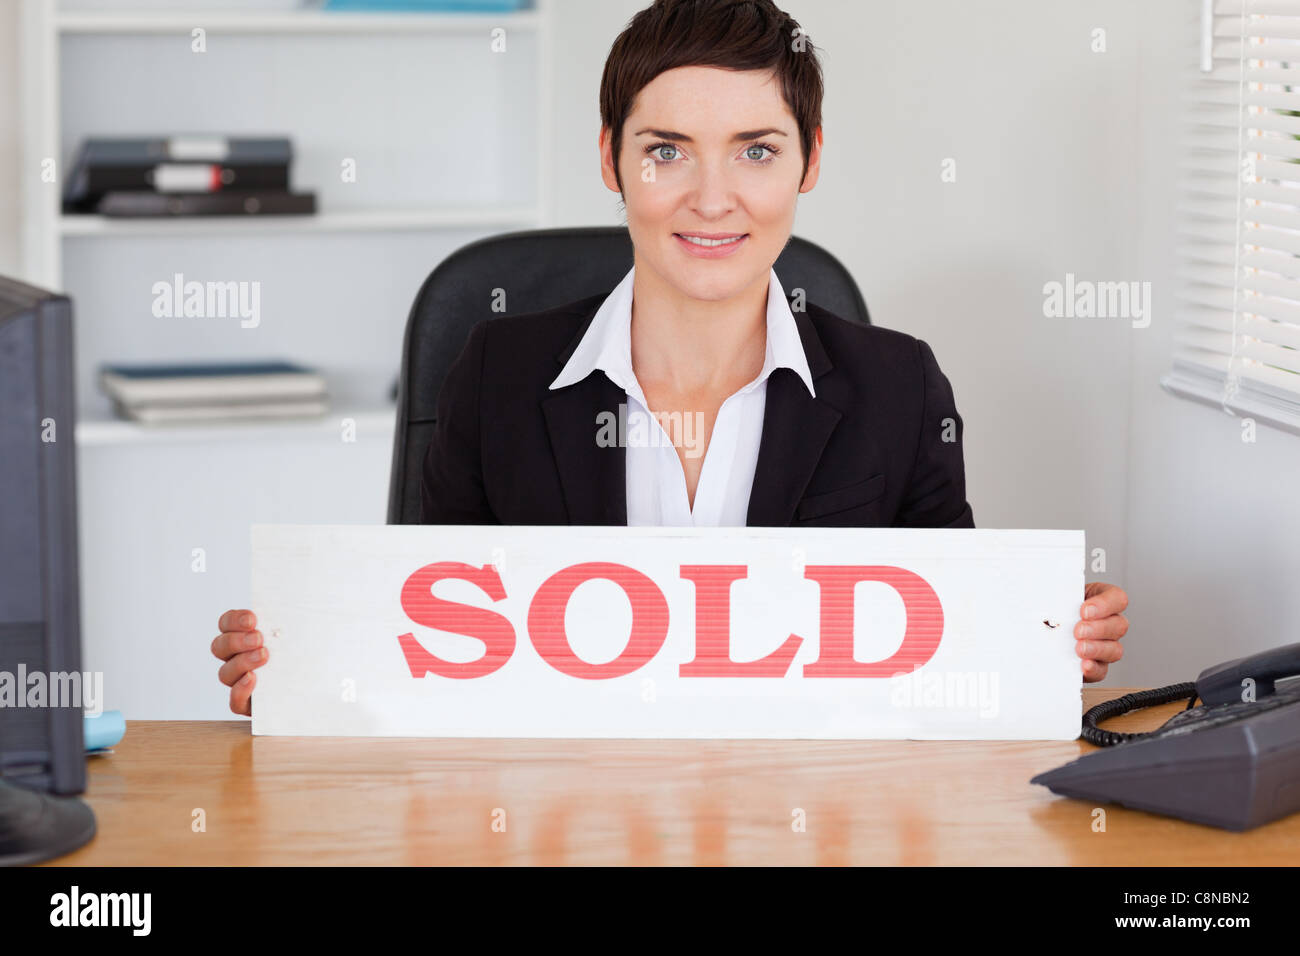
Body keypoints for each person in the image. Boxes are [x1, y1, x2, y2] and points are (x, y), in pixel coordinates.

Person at [213, 0, 1128, 717]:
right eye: (667, 152)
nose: (712, 198)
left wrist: (1043, 636)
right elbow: (433, 626)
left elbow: (944, 632)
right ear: (612, 160)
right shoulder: (498, 374)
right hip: (555, 817)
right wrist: (310, 661)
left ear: (808, 163)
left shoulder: (899, 385)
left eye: (756, 151)